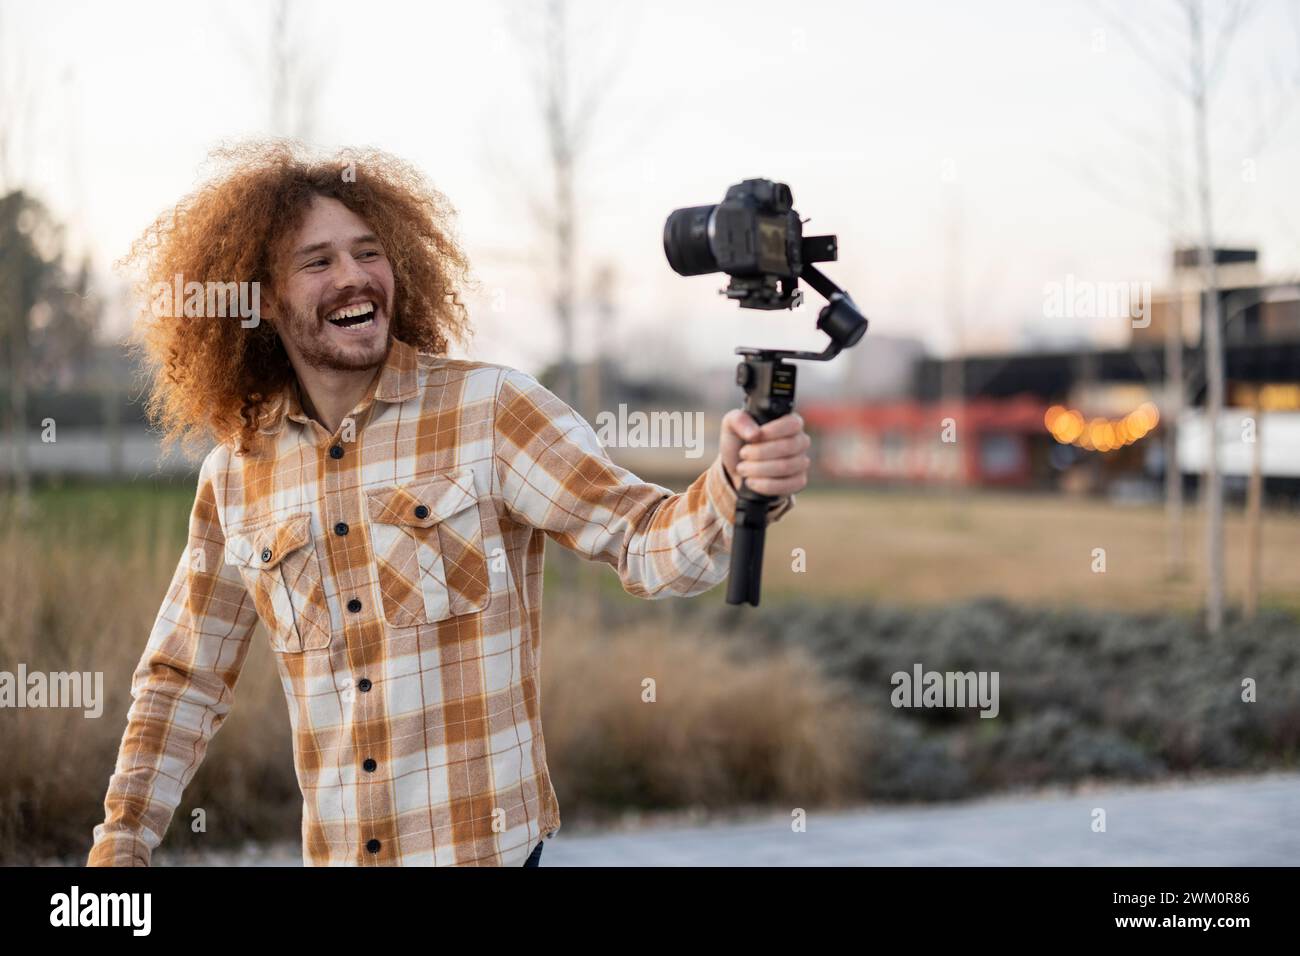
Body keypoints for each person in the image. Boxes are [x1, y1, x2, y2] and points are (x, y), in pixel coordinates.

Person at [87, 142, 809, 867]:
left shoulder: (490, 410)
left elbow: (647, 546)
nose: (353, 278)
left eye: (369, 253)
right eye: (318, 262)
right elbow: (183, 678)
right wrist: (122, 839)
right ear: (265, 298)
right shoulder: (235, 474)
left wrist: (732, 486)